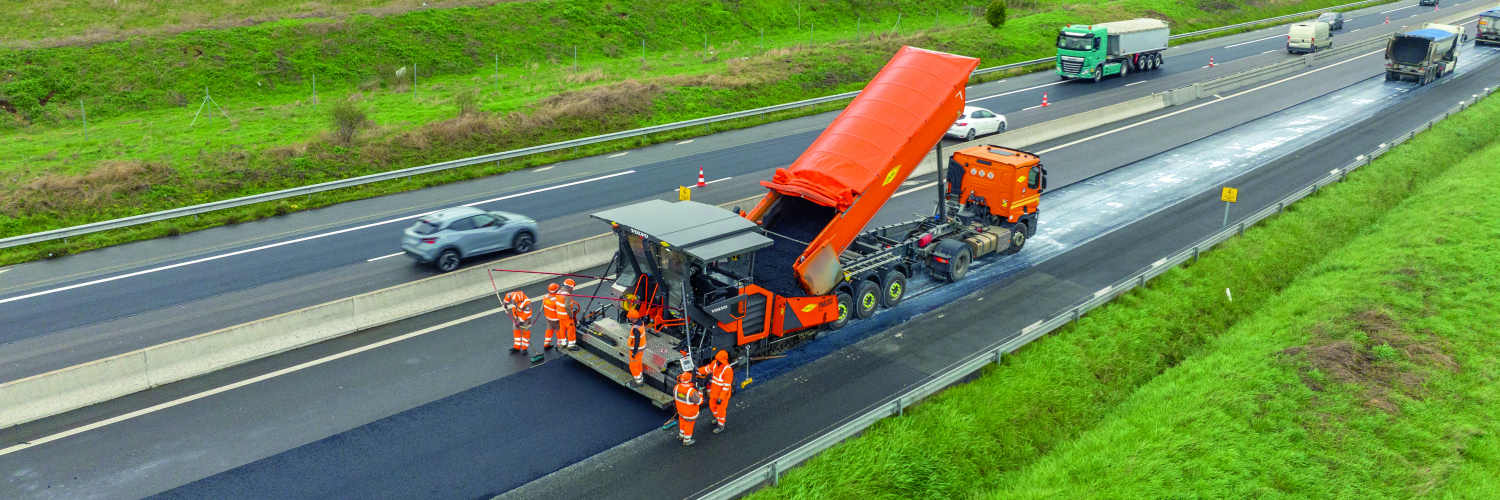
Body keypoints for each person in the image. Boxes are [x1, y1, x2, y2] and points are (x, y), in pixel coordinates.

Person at [696, 349, 734, 433]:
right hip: (714, 392)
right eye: (717, 360)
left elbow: (726, 387)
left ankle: (721, 425)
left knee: (721, 410)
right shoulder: (715, 364)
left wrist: (721, 398)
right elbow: (707, 369)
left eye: (719, 361)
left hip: (722, 395)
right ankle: (717, 418)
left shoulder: (728, 370)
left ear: (724, 361)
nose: (717, 362)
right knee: (712, 406)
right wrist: (697, 371)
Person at [673, 371, 704, 446]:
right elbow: (699, 401)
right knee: (689, 425)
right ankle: (687, 440)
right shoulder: (691, 391)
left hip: (681, 411)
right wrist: (700, 392)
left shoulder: (676, 387)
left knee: (682, 422)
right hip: (690, 413)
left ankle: (681, 434)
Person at [626, 310, 648, 386]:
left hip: (635, 350)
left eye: (629, 317)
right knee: (638, 364)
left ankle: (638, 382)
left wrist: (634, 352)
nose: (629, 319)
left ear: (632, 318)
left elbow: (637, 341)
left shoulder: (635, 328)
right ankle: (640, 378)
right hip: (641, 350)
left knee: (633, 366)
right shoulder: (640, 323)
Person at [542, 283, 562, 350]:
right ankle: (559, 344)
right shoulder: (557, 300)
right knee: (558, 331)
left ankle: (546, 344)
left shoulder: (545, 297)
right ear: (556, 290)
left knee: (549, 330)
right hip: (556, 319)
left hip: (548, 318)